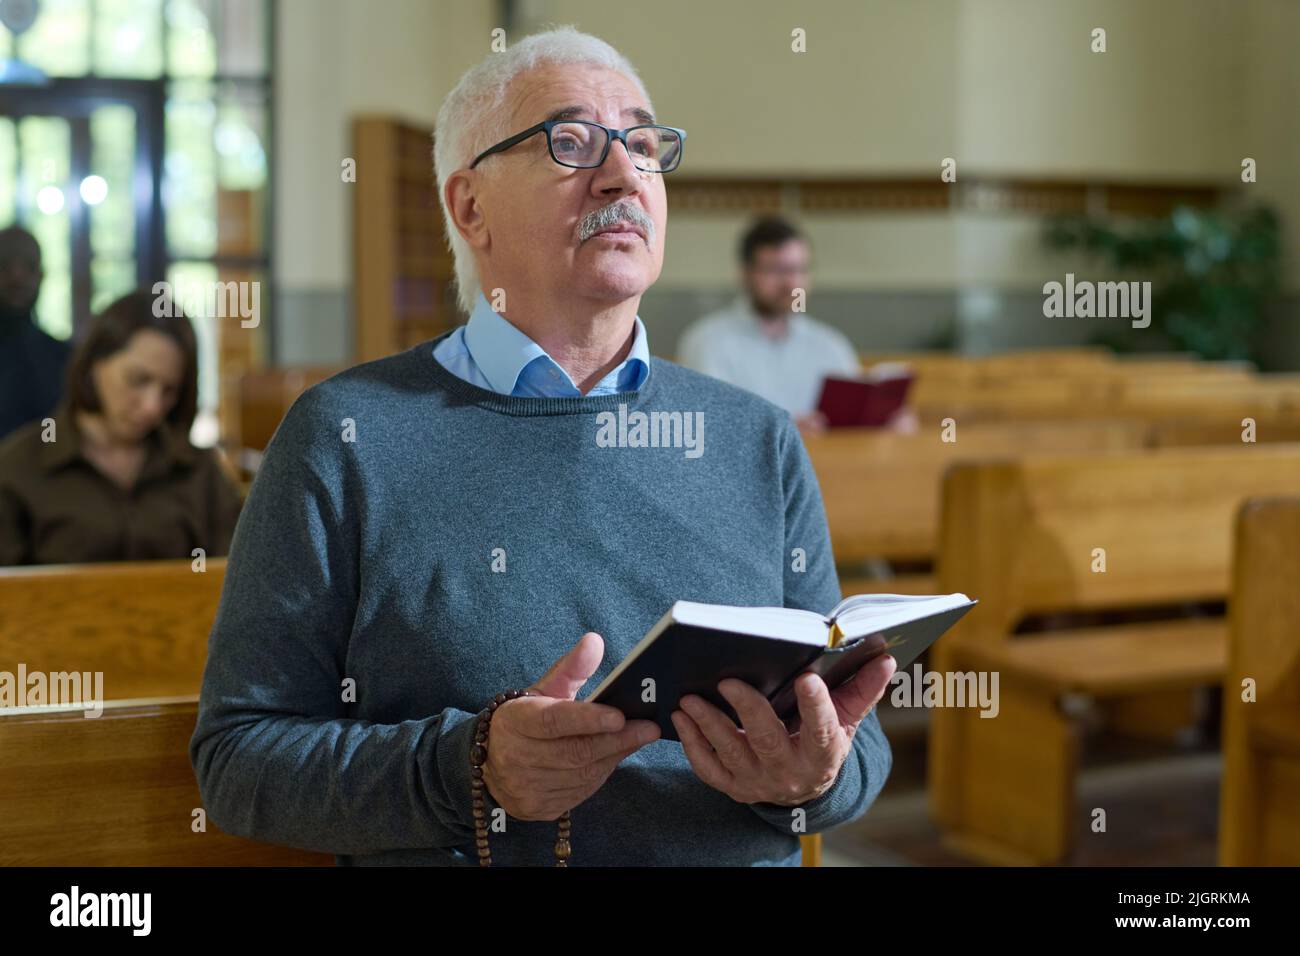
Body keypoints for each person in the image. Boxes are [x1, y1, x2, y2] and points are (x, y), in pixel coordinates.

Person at [190, 26, 895, 868]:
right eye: (570, 141)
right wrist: (471, 770)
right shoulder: (347, 435)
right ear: (470, 206)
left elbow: (860, 747)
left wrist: (812, 780)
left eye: (642, 142)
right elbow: (239, 763)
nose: (623, 173)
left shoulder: (757, 438)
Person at [0, 290, 243, 566]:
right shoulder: (17, 468)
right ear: (95, 364)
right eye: (138, 380)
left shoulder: (199, 470)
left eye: (169, 390)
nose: (153, 406)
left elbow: (240, 582)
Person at [679, 216, 917, 434]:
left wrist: (885, 426)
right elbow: (705, 428)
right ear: (745, 274)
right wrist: (786, 433)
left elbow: (853, 428)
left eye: (799, 270)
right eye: (776, 270)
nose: (790, 283)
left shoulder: (830, 345)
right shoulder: (708, 342)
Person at [0, 225, 71, 442]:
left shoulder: (63, 358)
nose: (17, 277)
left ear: (41, 275)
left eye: (28, 267)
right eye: (4, 266)